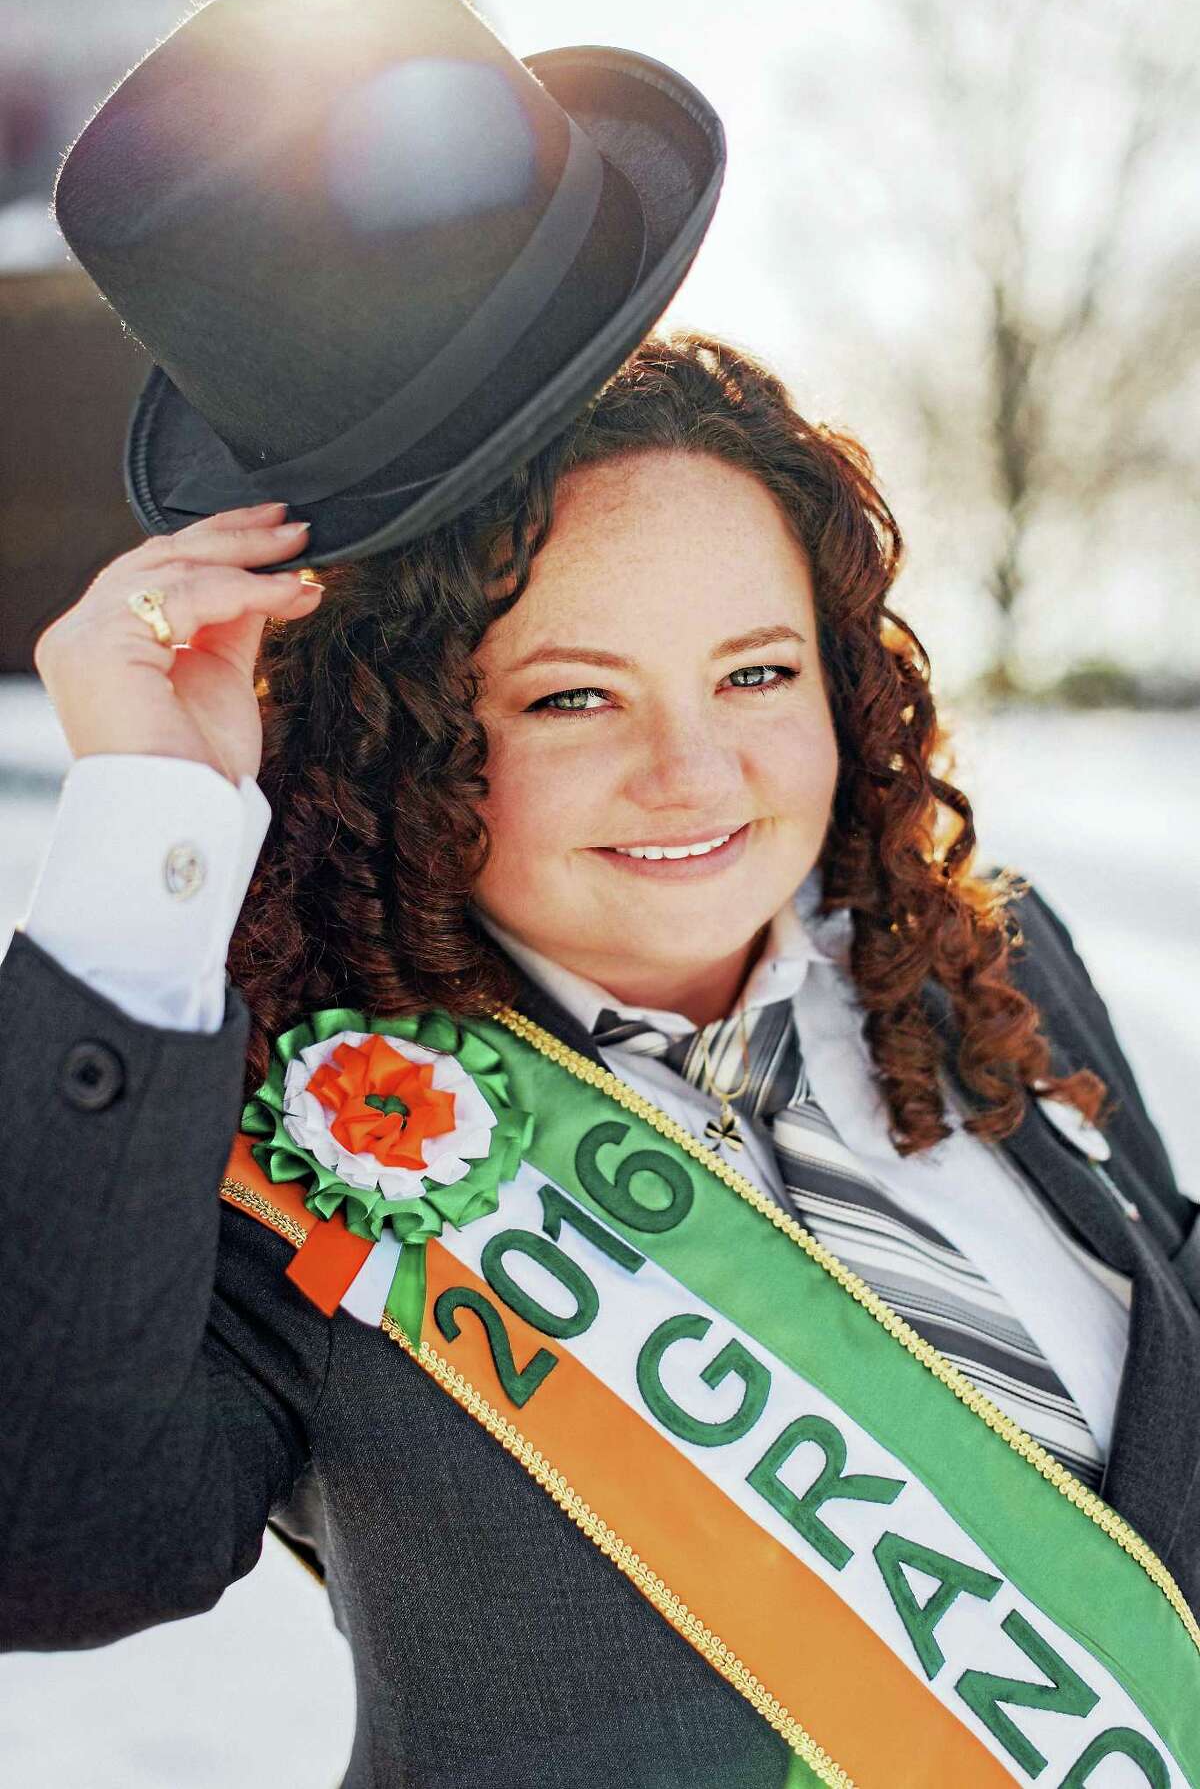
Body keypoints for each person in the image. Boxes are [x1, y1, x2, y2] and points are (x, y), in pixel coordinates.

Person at [5, 330, 1200, 1789]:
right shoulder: (301, 1142)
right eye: (575, 695)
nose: (693, 773)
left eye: (757, 672)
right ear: (415, 736)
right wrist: (152, 820)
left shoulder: (985, 966)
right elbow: (45, 1541)